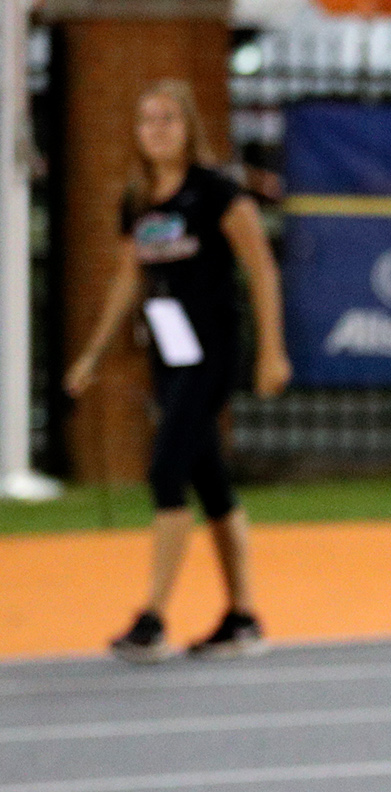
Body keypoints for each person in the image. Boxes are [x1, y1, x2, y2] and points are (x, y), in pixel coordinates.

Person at [64, 79, 292, 663]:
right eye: (147, 120)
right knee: (209, 479)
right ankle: (242, 616)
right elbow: (128, 279)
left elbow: (261, 269)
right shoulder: (139, 200)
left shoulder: (217, 191)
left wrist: (271, 350)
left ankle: (153, 618)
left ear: (189, 126)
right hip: (169, 352)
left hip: (213, 349)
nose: (157, 130)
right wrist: (92, 355)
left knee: (167, 469)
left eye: (167, 118)